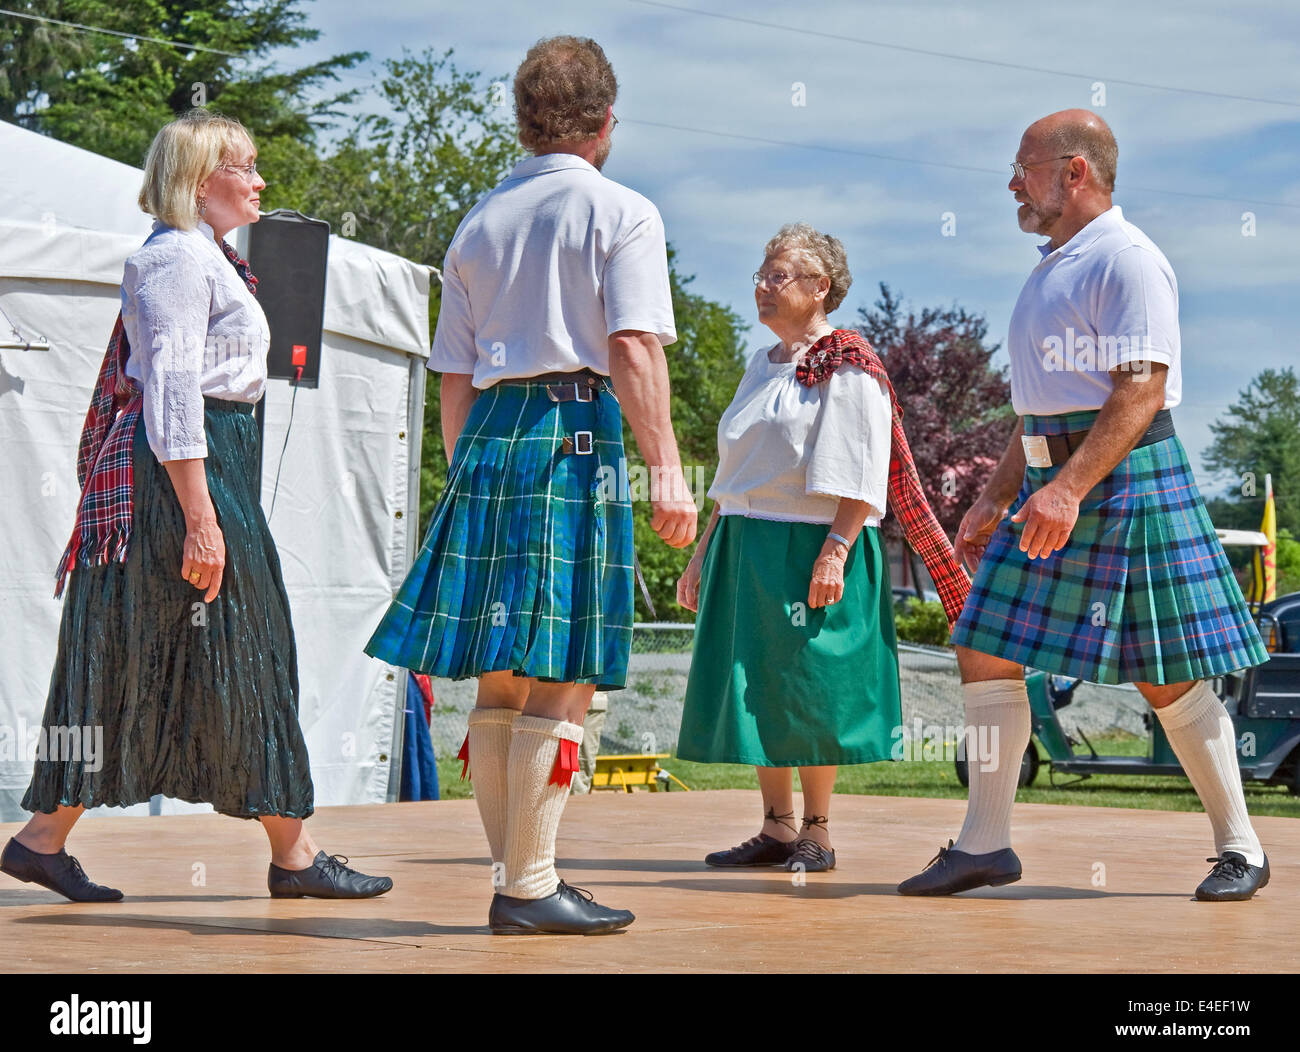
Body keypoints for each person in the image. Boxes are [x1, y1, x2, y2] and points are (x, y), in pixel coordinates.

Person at [1, 109, 392, 903]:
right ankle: (295, 857)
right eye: (244, 166)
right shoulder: (176, 259)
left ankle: (42, 841)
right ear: (199, 179)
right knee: (246, 639)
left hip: (207, 465)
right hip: (184, 472)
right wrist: (202, 515)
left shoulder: (204, 257)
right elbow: (173, 392)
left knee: (134, 643)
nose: (259, 180)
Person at [364, 36, 697, 934]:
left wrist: (471, 470)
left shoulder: (479, 220)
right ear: (604, 122)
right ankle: (529, 882)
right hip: (575, 432)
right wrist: (666, 469)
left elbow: (455, 376)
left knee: (500, 678)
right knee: (561, 671)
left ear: (522, 119)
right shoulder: (622, 210)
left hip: (490, 438)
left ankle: (520, 879)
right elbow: (631, 348)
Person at [898, 110, 1271, 901]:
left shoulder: (1128, 260)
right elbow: (1043, 405)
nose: (1011, 184)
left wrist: (1068, 487)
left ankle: (1242, 847)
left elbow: (1142, 386)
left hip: (1124, 478)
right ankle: (985, 844)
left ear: (1074, 172)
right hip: (1049, 481)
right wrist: (999, 492)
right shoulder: (1054, 266)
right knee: (984, 644)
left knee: (1166, 675)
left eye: (1023, 168)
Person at [676, 224, 970, 872]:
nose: (762, 285)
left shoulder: (848, 361)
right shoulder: (762, 364)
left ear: (820, 286)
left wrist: (835, 550)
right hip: (747, 541)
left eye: (777, 274)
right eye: (761, 272)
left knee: (812, 687)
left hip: (816, 545)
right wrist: (702, 554)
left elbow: (864, 471)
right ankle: (777, 827)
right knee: (757, 686)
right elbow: (736, 474)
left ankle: (818, 831)